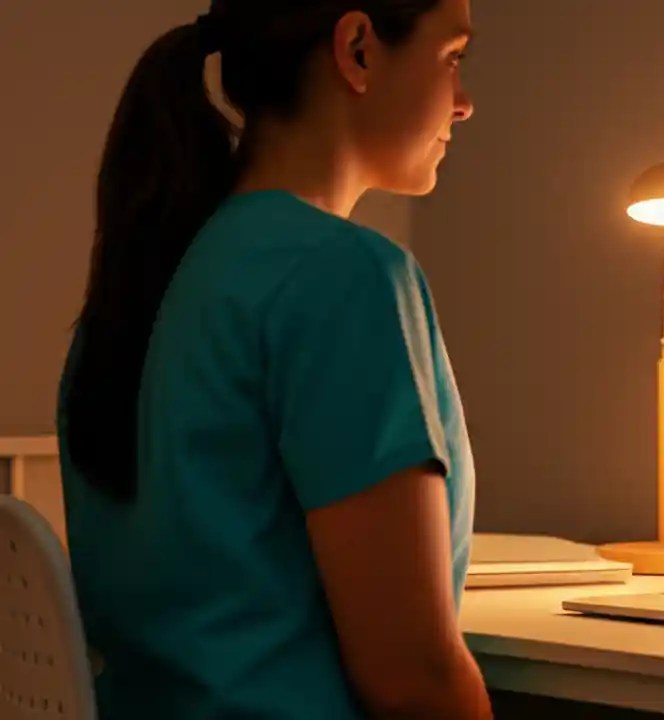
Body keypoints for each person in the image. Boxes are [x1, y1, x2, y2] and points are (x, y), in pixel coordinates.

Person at [56, 1, 490, 718]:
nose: (465, 103)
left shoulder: (143, 282)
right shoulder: (345, 277)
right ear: (357, 49)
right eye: (451, 59)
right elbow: (413, 679)